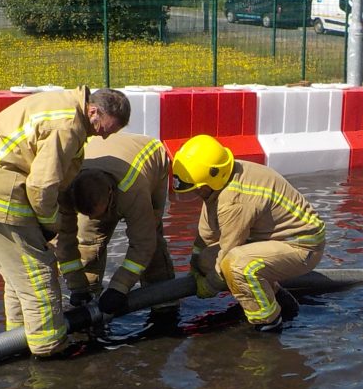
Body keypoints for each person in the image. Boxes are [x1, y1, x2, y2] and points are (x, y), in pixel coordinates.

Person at [0, 86, 127, 358]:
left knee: (19, 277)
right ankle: (49, 352)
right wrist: (49, 224)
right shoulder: (68, 126)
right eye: (105, 128)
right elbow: (41, 187)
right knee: (38, 275)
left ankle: (15, 343)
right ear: (93, 111)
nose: (104, 135)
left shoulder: (66, 107)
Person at [171, 134, 326, 334]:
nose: (195, 195)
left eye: (197, 190)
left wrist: (208, 286)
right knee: (207, 260)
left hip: (302, 246)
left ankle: (267, 322)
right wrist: (196, 266)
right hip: (272, 240)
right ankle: (281, 300)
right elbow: (206, 236)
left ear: (211, 180)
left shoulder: (233, 201)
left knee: (237, 266)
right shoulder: (220, 183)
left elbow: (228, 251)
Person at [55, 95, 176, 325]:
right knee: (87, 244)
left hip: (151, 161)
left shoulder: (133, 190)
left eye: (99, 214)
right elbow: (64, 241)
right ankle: (88, 299)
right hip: (99, 173)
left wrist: (120, 287)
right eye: (89, 214)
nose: (95, 219)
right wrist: (76, 285)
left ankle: (164, 301)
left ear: (112, 197)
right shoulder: (68, 186)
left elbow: (143, 243)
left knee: (152, 236)